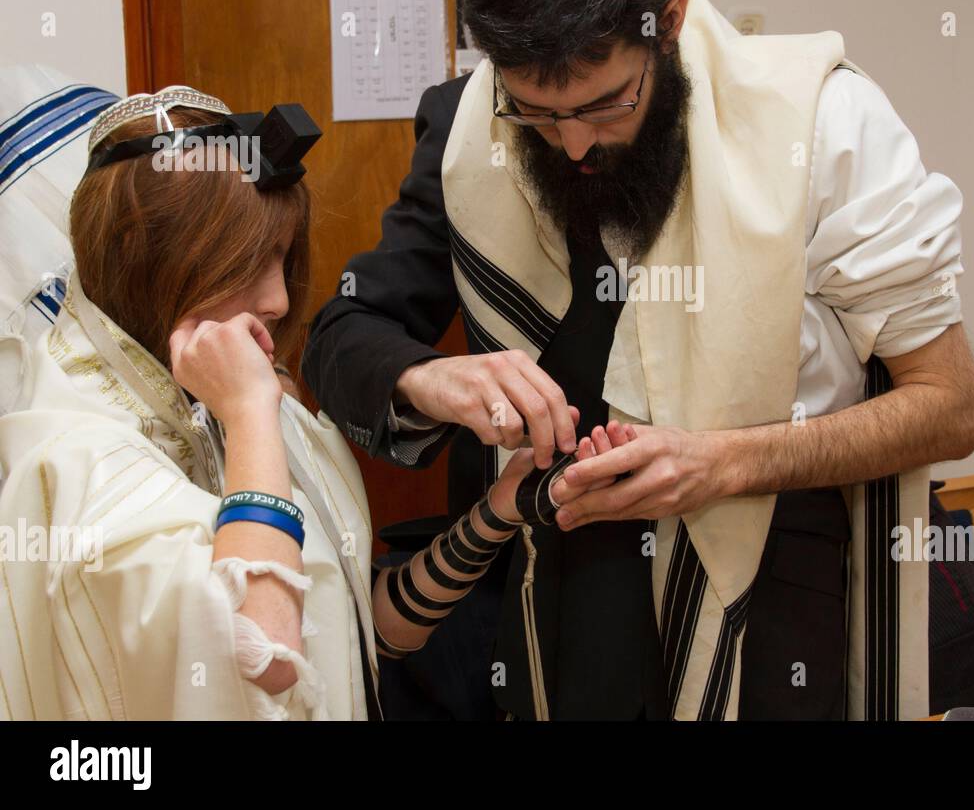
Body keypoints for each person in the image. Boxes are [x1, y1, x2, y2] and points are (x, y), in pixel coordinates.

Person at [305, 0, 974, 721]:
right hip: (560, 601)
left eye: (607, 105)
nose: (576, 147)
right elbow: (340, 334)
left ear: (669, 22)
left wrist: (725, 460)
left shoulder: (817, 126)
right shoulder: (467, 131)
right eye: (539, 116)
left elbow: (953, 405)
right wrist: (427, 378)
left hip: (779, 581)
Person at [0, 85, 594, 720]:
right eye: (246, 263)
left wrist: (498, 512)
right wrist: (254, 412)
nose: (281, 300)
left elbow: (365, 630)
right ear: (151, 266)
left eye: (281, 260)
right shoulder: (82, 463)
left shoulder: (231, 406)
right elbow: (264, 662)